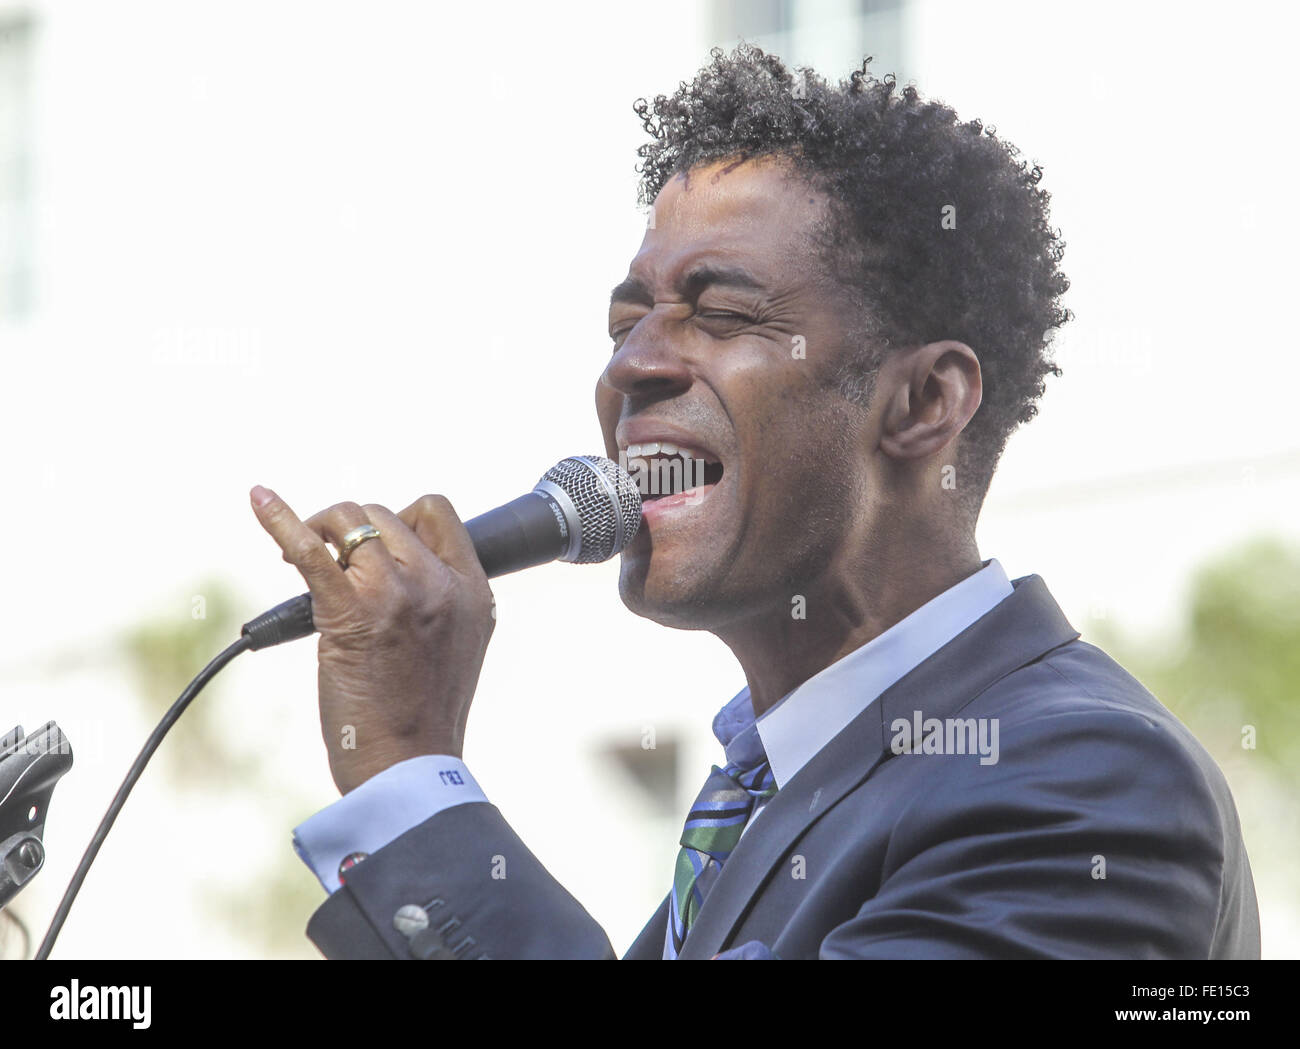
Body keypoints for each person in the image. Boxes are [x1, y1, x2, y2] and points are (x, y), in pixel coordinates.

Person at [249, 45, 1259, 959]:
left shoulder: (1072, 780)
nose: (633, 363)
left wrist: (407, 775)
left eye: (721, 313)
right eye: (628, 320)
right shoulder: (771, 785)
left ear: (923, 402)